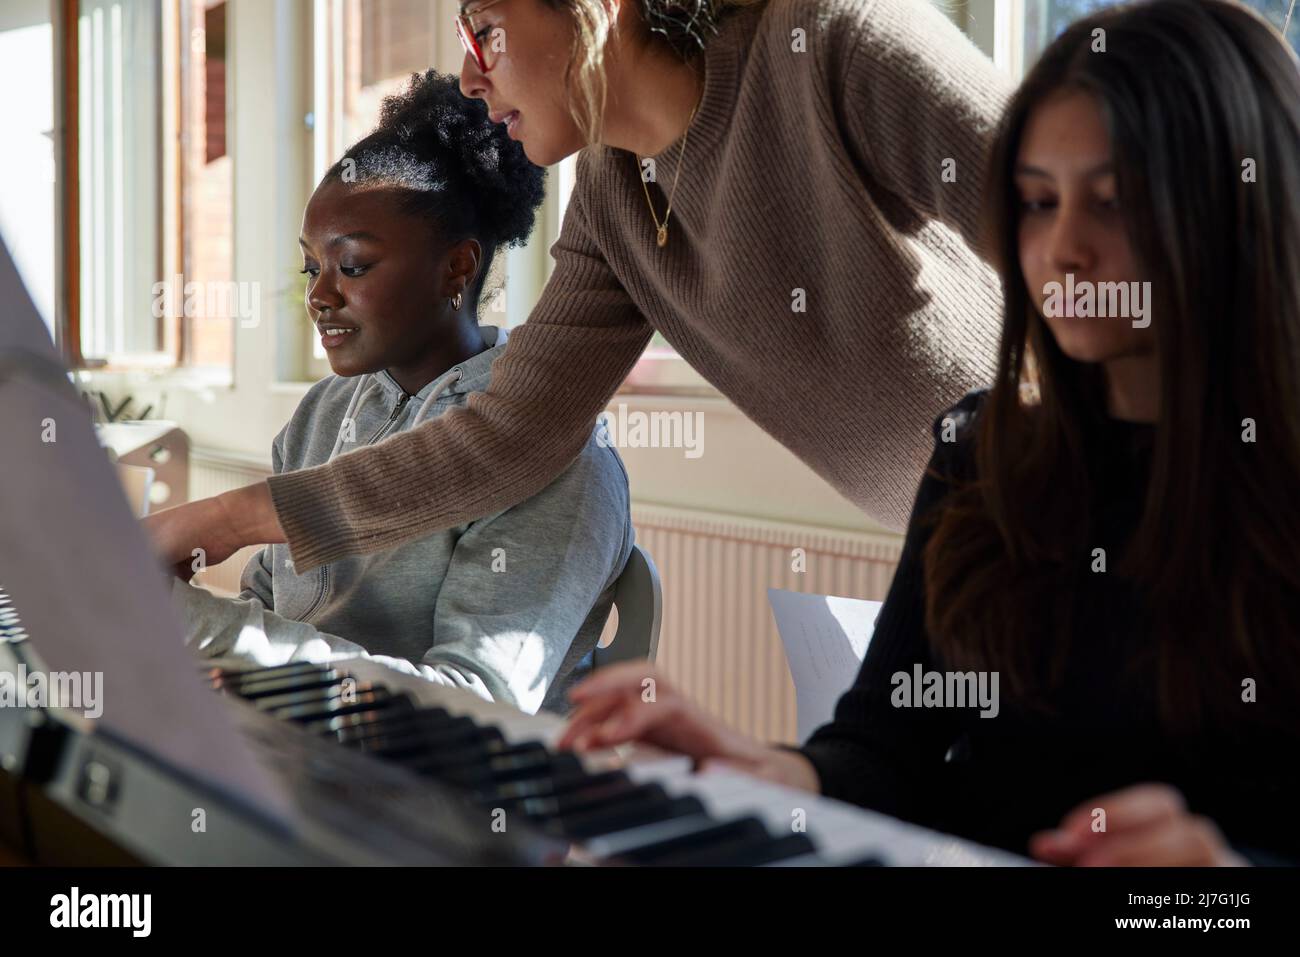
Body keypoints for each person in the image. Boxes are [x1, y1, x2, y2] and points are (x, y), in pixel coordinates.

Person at [557, 0, 1300, 865]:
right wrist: (758, 766)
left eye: (1113, 200)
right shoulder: (981, 456)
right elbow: (881, 757)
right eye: (1035, 201)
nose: (1061, 248)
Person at [143, 0, 1010, 579]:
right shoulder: (611, 196)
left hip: (1123, 527)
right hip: (974, 564)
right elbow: (504, 438)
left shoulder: (834, 41)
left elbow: (1121, 245)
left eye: (487, 26)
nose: (473, 76)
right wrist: (222, 518)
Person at [174, 72, 634, 716]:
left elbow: (477, 706)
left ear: (458, 267)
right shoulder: (323, 414)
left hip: (453, 799)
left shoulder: (562, 460)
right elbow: (266, 609)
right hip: (303, 760)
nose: (319, 295)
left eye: (353, 266)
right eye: (313, 267)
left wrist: (214, 631)